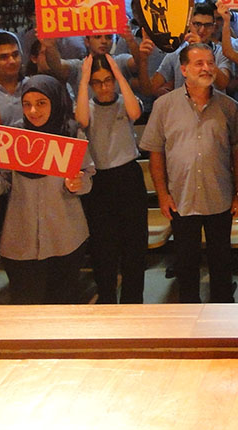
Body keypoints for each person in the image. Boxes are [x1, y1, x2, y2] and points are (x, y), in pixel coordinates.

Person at [139, 43, 238, 303]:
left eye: (210, 63)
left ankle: (223, 315)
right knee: (186, 266)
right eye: (199, 63)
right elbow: (155, 152)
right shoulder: (164, 106)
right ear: (183, 70)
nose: (207, 68)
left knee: (221, 264)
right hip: (181, 199)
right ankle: (190, 319)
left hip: (219, 197)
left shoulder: (229, 107)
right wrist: (162, 194)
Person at [0, 75, 95, 304]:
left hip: (66, 239)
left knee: (64, 308)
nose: (33, 110)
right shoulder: (13, 137)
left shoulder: (71, 134)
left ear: (54, 101)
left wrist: (77, 185)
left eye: (41, 103)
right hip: (21, 242)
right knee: (27, 311)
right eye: (27, 104)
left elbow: (88, 179)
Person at [74, 54, 147, 304]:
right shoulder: (87, 105)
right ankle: (106, 300)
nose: (104, 87)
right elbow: (81, 120)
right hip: (99, 183)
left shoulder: (125, 102)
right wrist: (83, 80)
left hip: (128, 177)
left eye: (108, 81)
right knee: (103, 249)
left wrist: (118, 73)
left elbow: (135, 112)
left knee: (134, 247)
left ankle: (133, 302)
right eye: (98, 82)